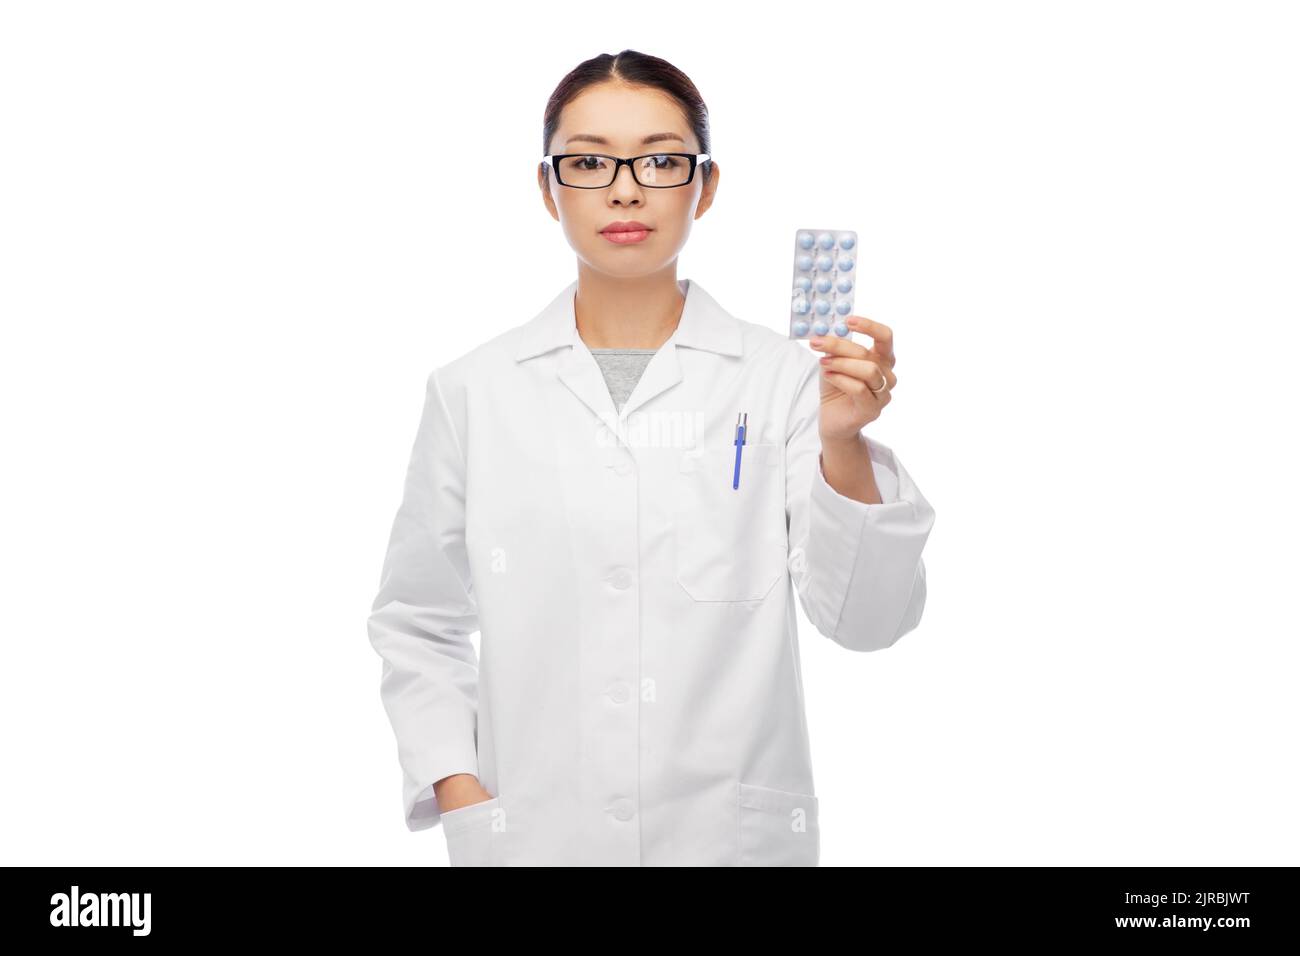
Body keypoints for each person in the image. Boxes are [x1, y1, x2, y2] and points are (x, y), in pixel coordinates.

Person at [366, 49, 935, 866]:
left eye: (661, 160)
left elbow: (868, 623)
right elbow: (417, 617)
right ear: (546, 187)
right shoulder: (473, 390)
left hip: (727, 841)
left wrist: (842, 443)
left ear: (704, 187)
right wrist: (459, 787)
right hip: (534, 835)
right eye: (589, 161)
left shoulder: (782, 382)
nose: (625, 189)